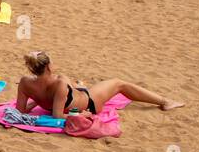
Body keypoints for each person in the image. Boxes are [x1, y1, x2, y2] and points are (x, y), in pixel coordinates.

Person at [16, 51, 183, 119]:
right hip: (90, 103)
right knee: (119, 84)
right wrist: (82, 116)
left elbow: (21, 110)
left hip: (67, 96)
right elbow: (57, 116)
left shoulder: (25, 83)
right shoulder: (59, 83)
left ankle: (79, 85)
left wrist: (37, 101)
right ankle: (165, 101)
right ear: (49, 66)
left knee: (69, 82)